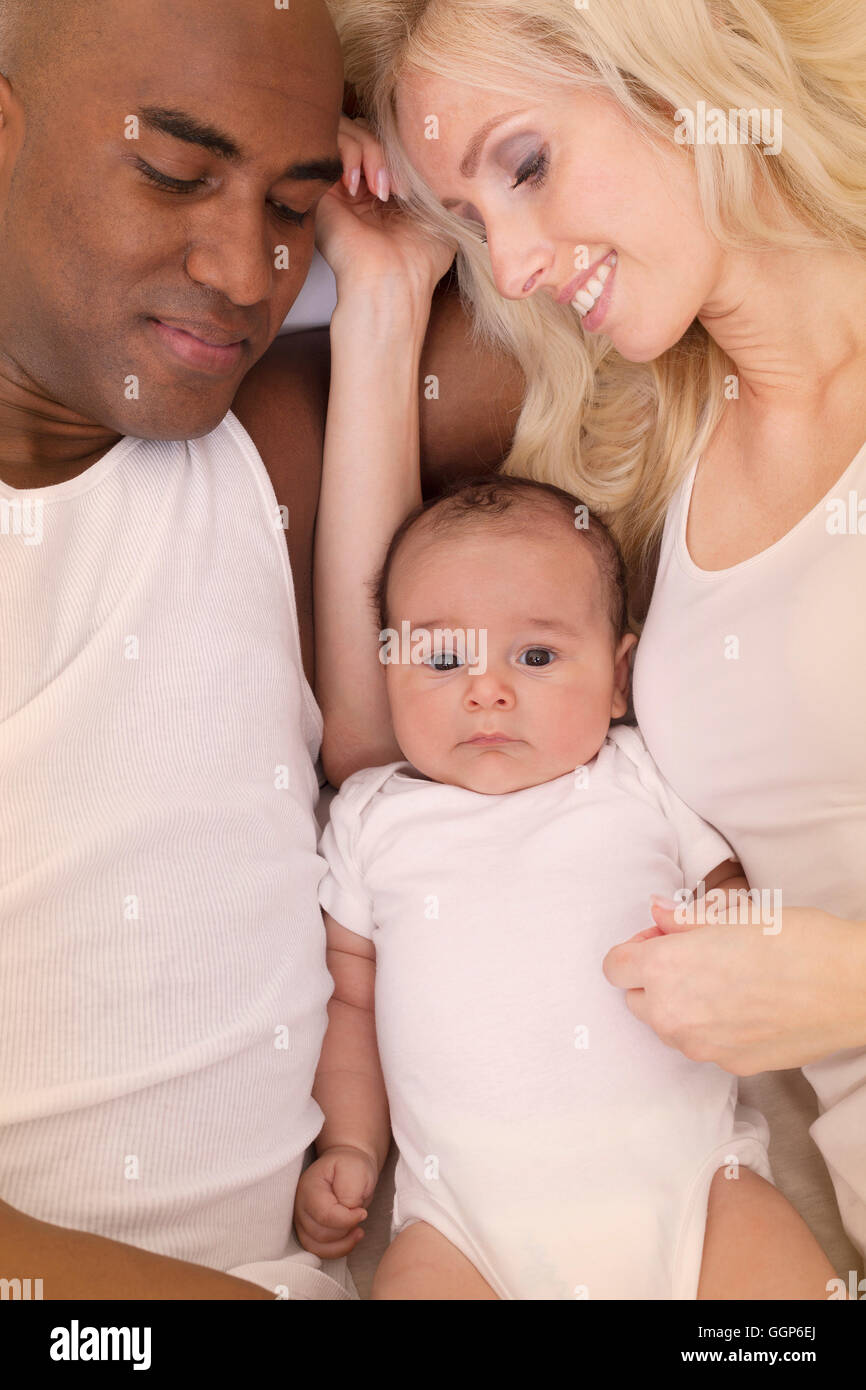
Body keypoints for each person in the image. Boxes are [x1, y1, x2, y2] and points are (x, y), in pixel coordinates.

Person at [320, 0, 866, 1277]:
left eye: (523, 165)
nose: (506, 266)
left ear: (678, 69)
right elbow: (378, 729)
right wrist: (387, 297)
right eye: (471, 217)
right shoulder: (637, 465)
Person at [0, 0, 516, 1298]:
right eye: (177, 175)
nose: (245, 270)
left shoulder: (272, 442)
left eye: (294, 206)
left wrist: (393, 275)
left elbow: (711, 295)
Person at [295, 474, 836, 1300]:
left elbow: (734, 893)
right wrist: (352, 1147)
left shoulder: (639, 777)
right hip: (464, 1227)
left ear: (619, 677)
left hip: (694, 1192)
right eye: (441, 659)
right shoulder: (373, 818)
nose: (487, 689)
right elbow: (352, 1004)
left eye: (537, 656)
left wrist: (729, 922)